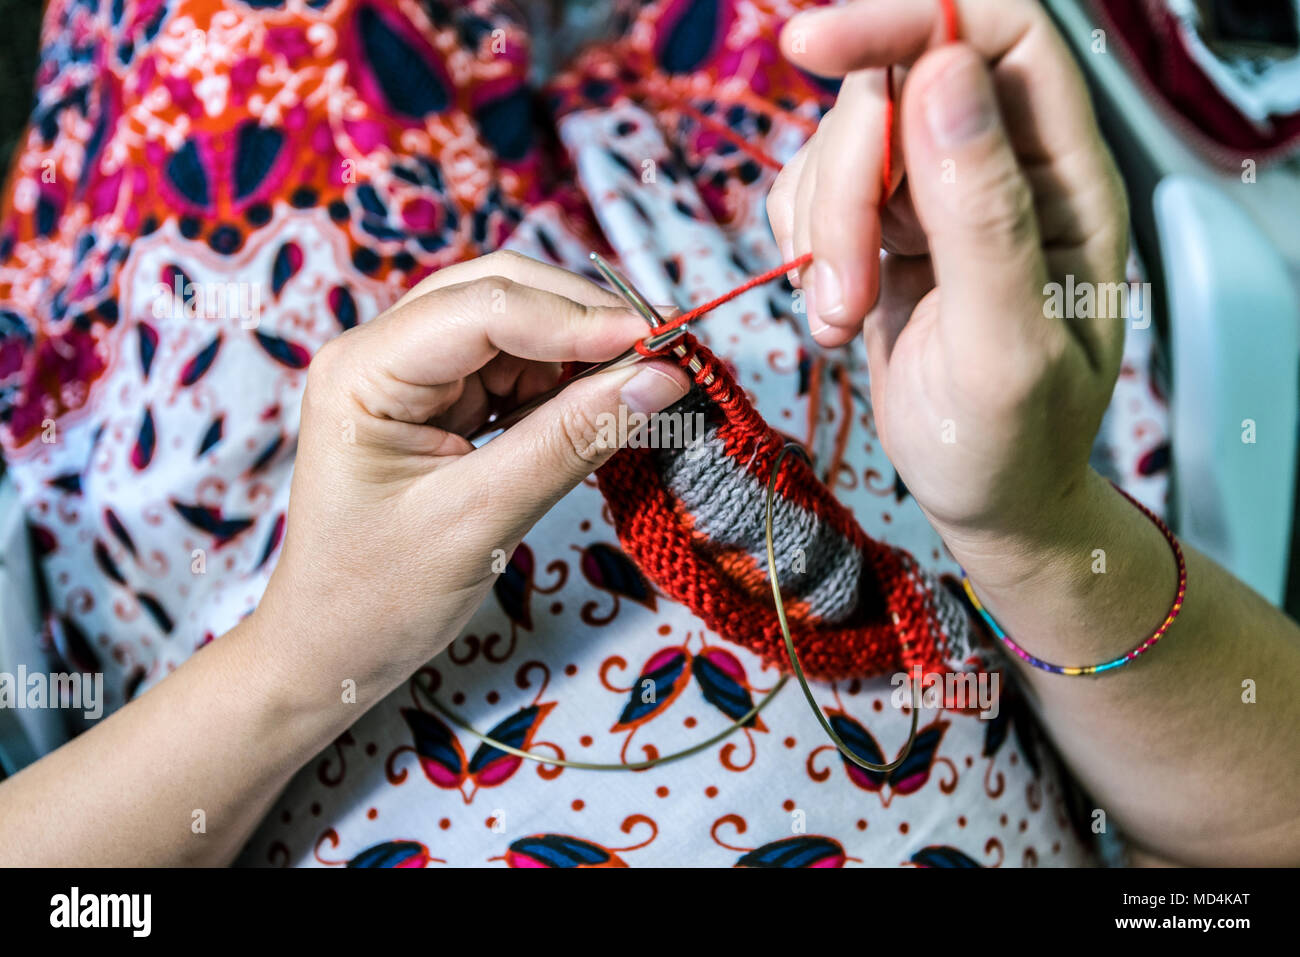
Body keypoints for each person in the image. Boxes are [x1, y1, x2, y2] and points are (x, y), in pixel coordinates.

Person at [0, 0, 1296, 867]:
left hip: (252, 442)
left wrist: (300, 654)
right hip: (847, 350)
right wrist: (1031, 519)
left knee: (244, 50)